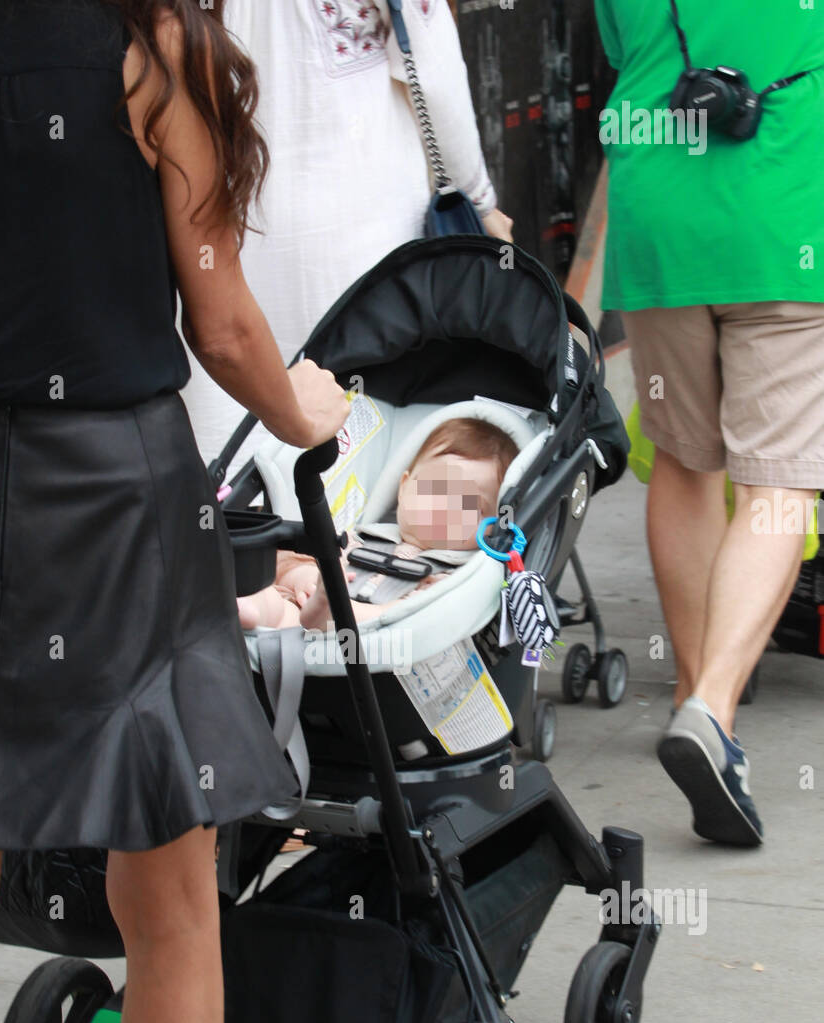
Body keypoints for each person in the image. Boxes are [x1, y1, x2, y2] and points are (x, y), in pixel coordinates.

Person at [0, 0, 350, 1023]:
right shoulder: (154, 50)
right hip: (114, 495)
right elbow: (223, 325)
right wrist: (302, 409)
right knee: (170, 898)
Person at [594, 0, 824, 847]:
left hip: (662, 222)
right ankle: (711, 709)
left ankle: (709, 725)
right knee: (779, 481)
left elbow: (627, 45)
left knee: (687, 465)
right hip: (790, 213)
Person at [181, 0, 514, 465]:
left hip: (220, 231)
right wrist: (481, 204)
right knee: (362, 452)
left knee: (243, 459)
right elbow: (434, 74)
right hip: (361, 226)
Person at [238, 418, 516, 630]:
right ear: (404, 488)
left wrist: (337, 605)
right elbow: (293, 563)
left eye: (469, 503)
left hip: (374, 636)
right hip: (304, 618)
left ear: (490, 524)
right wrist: (305, 578)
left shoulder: (455, 576)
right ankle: (248, 607)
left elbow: (428, 621)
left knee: (401, 617)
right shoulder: (361, 536)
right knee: (274, 595)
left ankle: (327, 609)